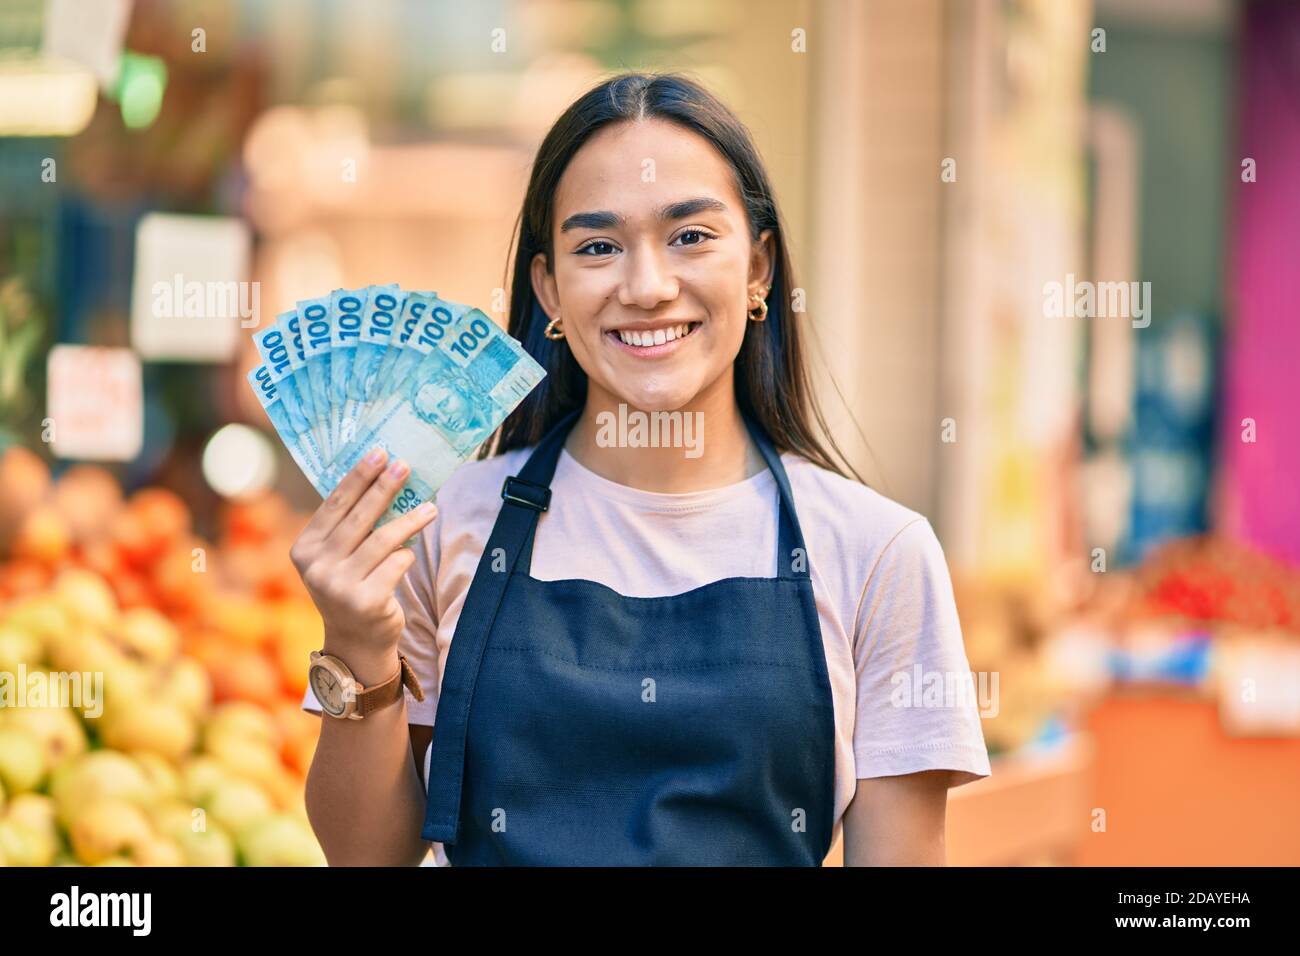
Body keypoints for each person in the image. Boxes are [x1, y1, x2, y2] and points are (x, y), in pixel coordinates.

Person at [293, 72, 990, 867]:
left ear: (759, 268)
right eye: (597, 247)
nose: (648, 287)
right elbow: (365, 858)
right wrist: (354, 645)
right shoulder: (441, 520)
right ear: (548, 288)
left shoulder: (879, 553)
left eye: (691, 236)